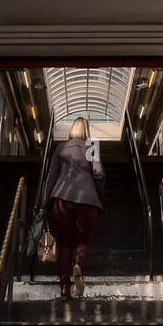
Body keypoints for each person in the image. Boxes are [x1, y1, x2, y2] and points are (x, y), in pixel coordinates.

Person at [43, 116, 104, 301]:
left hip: (62, 198)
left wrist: (44, 201)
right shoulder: (92, 144)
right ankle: (78, 264)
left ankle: (64, 288)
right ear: (86, 130)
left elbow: (51, 175)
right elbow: (98, 172)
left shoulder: (61, 148)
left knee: (64, 244)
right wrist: (100, 196)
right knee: (82, 240)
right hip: (87, 200)